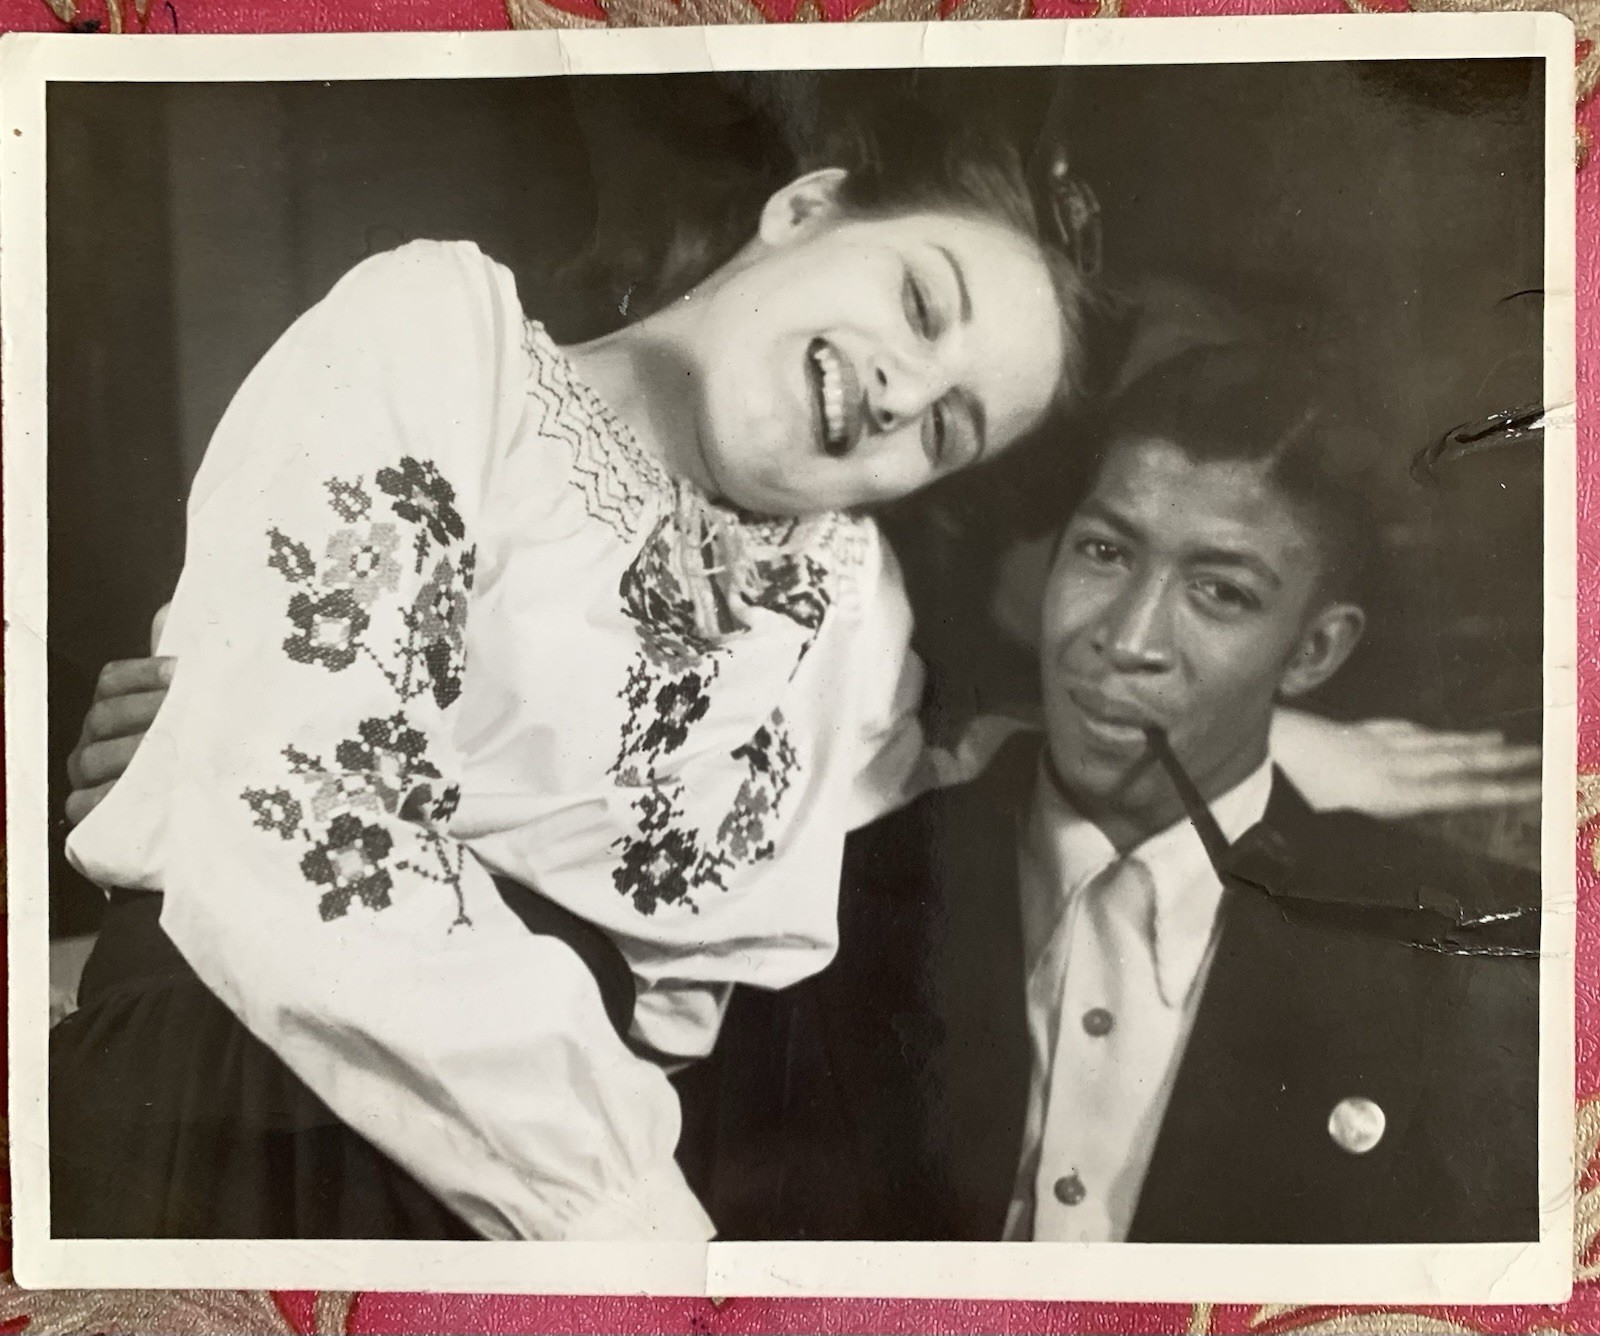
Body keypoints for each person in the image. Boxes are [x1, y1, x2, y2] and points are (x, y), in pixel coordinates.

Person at [52, 112, 1096, 1243]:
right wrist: (635, 1228)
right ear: (806, 210)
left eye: (948, 427)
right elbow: (310, 819)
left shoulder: (846, 608)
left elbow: (1023, 744)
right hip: (242, 1112)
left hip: (521, 1221)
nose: (903, 393)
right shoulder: (441, 339)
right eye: (919, 302)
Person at [687, 342, 1542, 1244]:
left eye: (1219, 592)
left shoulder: (1455, 960)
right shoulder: (831, 895)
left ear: (1314, 652)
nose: (1126, 639)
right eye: (1104, 551)